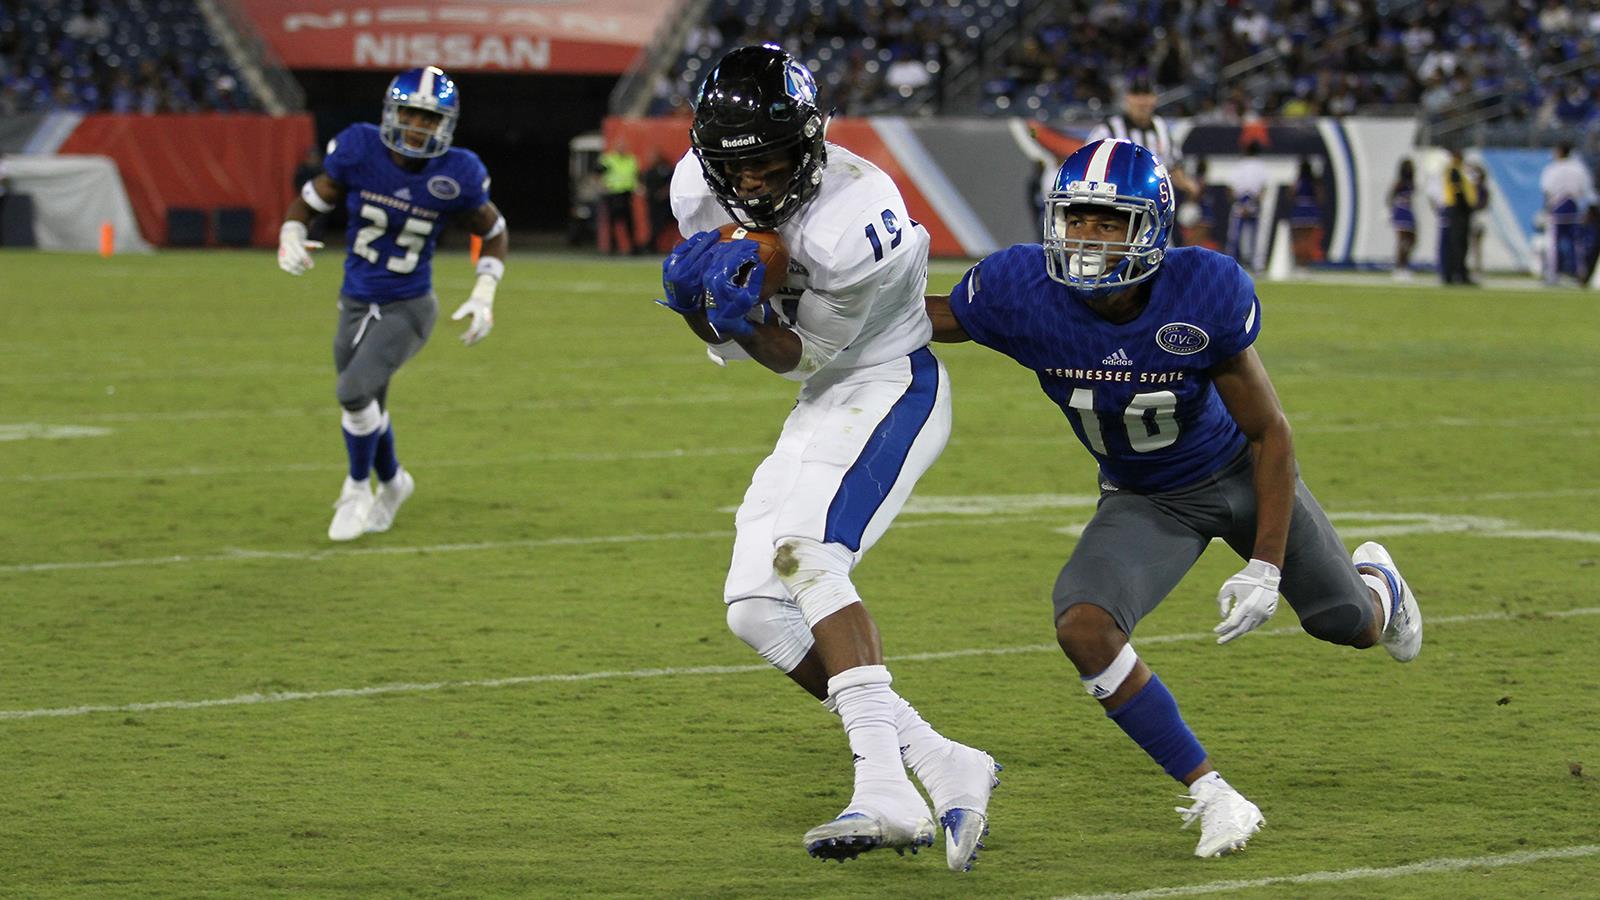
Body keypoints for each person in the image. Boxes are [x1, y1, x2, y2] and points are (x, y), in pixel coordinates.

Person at [923, 138, 1423, 859]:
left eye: (1109, 222)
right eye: (1078, 220)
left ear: (1152, 228)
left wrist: (1268, 567)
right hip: (1146, 498)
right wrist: (810, 310)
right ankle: (1214, 792)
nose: (1089, 240)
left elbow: (1270, 433)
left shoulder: (1202, 291)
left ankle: (1383, 586)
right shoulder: (1020, 291)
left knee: (1348, 623)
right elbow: (922, 318)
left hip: (1239, 476)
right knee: (1084, 624)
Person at [657, 44, 998, 871]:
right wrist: (701, 314)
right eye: (737, 166)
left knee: (809, 557)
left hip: (890, 381)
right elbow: (739, 337)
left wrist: (735, 318)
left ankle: (882, 790)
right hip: (829, 396)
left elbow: (800, 353)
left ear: (808, 147)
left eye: (772, 162)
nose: (754, 185)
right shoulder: (695, 189)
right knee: (753, 607)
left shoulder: (858, 219)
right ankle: (940, 760)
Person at [276, 66, 508, 541]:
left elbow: (494, 231)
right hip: (355, 300)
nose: (417, 127)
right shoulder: (360, 149)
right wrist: (291, 232)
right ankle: (396, 482)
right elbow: (310, 201)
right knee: (367, 406)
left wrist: (484, 293)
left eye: (428, 118)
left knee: (352, 393)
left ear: (445, 124)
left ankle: (358, 487)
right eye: (410, 114)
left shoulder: (457, 172)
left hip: (409, 305)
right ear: (391, 112)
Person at [1088, 78, 1199, 238]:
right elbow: (1090, 167)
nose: (1142, 101)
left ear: (1155, 98)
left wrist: (1189, 186)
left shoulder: (1161, 128)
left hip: (1154, 213)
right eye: (1136, 95)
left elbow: (1173, 166)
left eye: (1146, 95)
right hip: (1116, 208)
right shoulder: (1107, 130)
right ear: (1127, 98)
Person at [1539, 142, 1597, 285]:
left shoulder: (1552, 168)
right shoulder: (1579, 169)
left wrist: (1546, 208)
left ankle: (1554, 275)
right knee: (1576, 243)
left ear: (1559, 152)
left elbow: (1547, 190)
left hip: (1557, 206)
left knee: (1554, 242)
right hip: (1573, 206)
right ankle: (1577, 274)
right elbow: (1586, 190)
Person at [1226, 141, 1268, 270]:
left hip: (1240, 201)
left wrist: (1237, 204)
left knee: (1235, 236)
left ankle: (1233, 262)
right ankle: (1256, 264)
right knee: (1255, 236)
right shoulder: (1261, 167)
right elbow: (1263, 189)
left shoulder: (1239, 166)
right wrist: (1253, 204)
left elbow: (1230, 188)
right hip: (1253, 201)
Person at [1438, 146, 1477, 285]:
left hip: (1459, 210)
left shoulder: (1461, 170)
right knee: (1457, 243)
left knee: (1460, 243)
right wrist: (1467, 206)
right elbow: (1458, 192)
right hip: (1457, 210)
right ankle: (1457, 273)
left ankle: (1458, 272)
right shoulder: (1454, 170)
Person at [598, 140, 640, 255]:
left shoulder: (631, 159)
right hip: (613, 194)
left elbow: (635, 175)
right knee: (612, 222)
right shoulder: (609, 160)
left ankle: (633, 248)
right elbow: (598, 172)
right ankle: (611, 247)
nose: (622, 149)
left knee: (629, 222)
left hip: (627, 193)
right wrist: (602, 186)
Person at [641, 151, 676, 254]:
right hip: (652, 202)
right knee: (654, 225)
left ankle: (650, 245)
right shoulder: (649, 171)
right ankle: (650, 246)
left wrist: (664, 193)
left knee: (662, 224)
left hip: (664, 204)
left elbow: (671, 183)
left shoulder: (666, 170)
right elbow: (642, 183)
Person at [1389, 158, 1417, 280]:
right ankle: (1399, 268)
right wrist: (1392, 211)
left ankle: (1404, 265)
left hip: (1409, 211)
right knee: (1401, 240)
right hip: (1401, 211)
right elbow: (1390, 197)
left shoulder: (1411, 182)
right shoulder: (1399, 183)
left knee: (1411, 240)